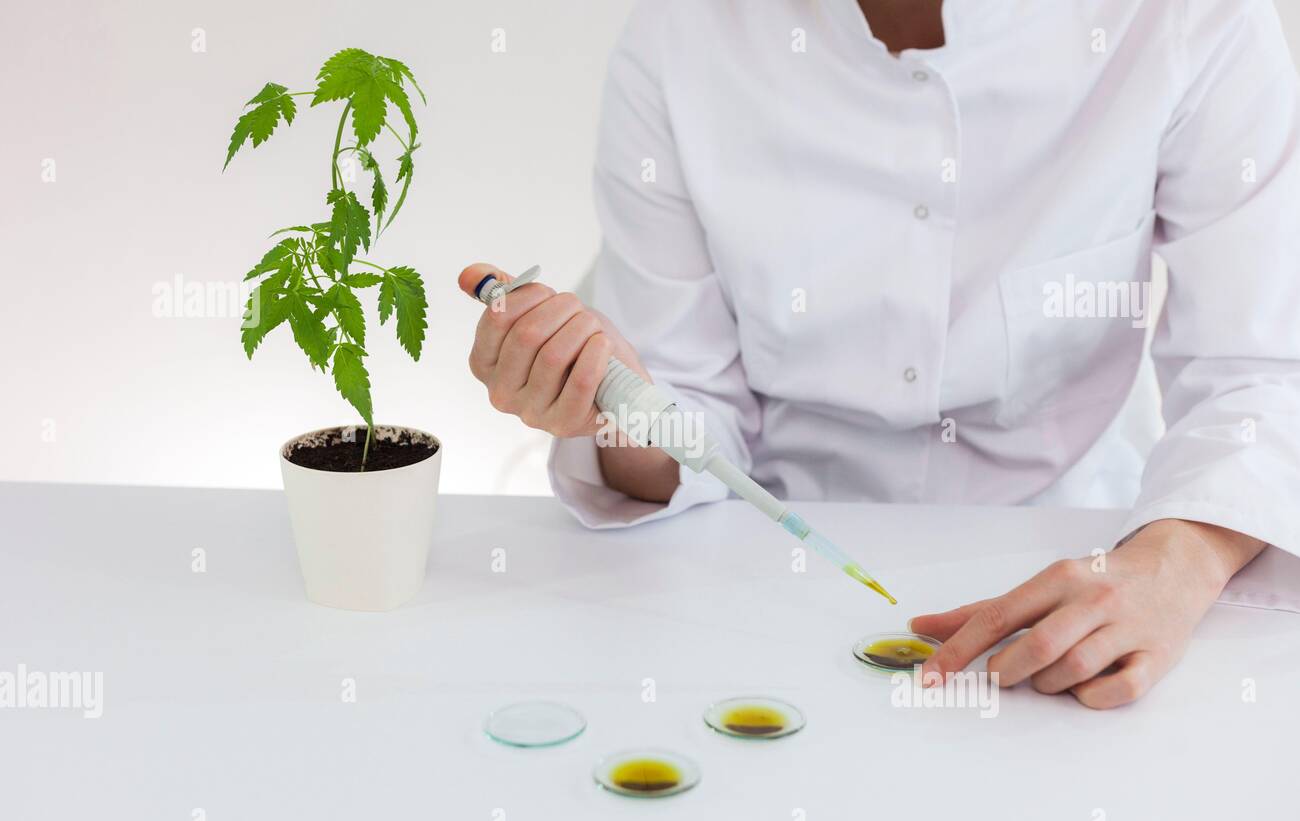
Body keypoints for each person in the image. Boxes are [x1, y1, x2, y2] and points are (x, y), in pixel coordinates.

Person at [457, 0, 1300, 708]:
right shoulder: (683, 37)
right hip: (757, 569)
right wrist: (612, 408)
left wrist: (1173, 564)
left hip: (1073, 558)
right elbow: (685, 414)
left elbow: (1261, 369)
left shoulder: (1191, 19)